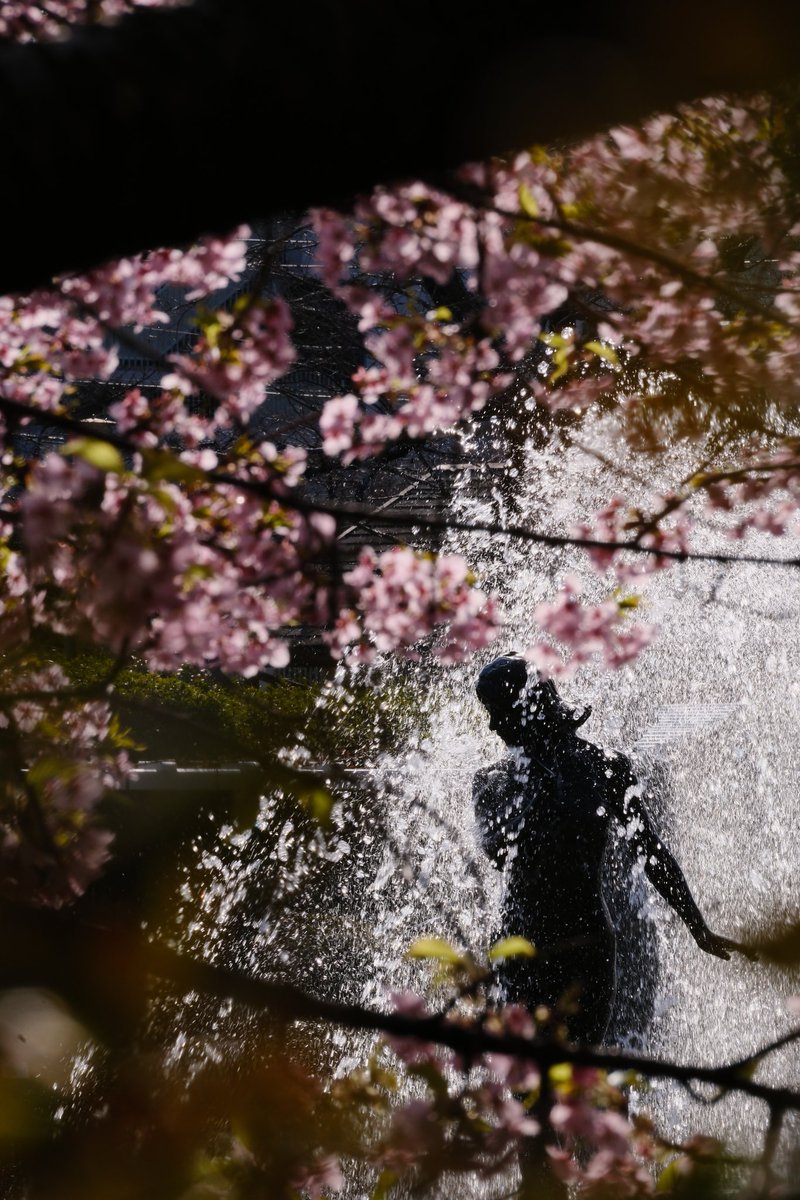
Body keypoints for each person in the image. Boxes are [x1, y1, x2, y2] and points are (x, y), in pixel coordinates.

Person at [473, 653, 750, 1044]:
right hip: (521, 945)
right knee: (524, 1083)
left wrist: (696, 925)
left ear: (531, 703)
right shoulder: (492, 783)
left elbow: (650, 851)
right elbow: (498, 855)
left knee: (580, 1078)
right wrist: (534, 785)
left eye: (498, 710)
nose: (492, 725)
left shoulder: (606, 767)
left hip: (587, 946)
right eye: (489, 712)